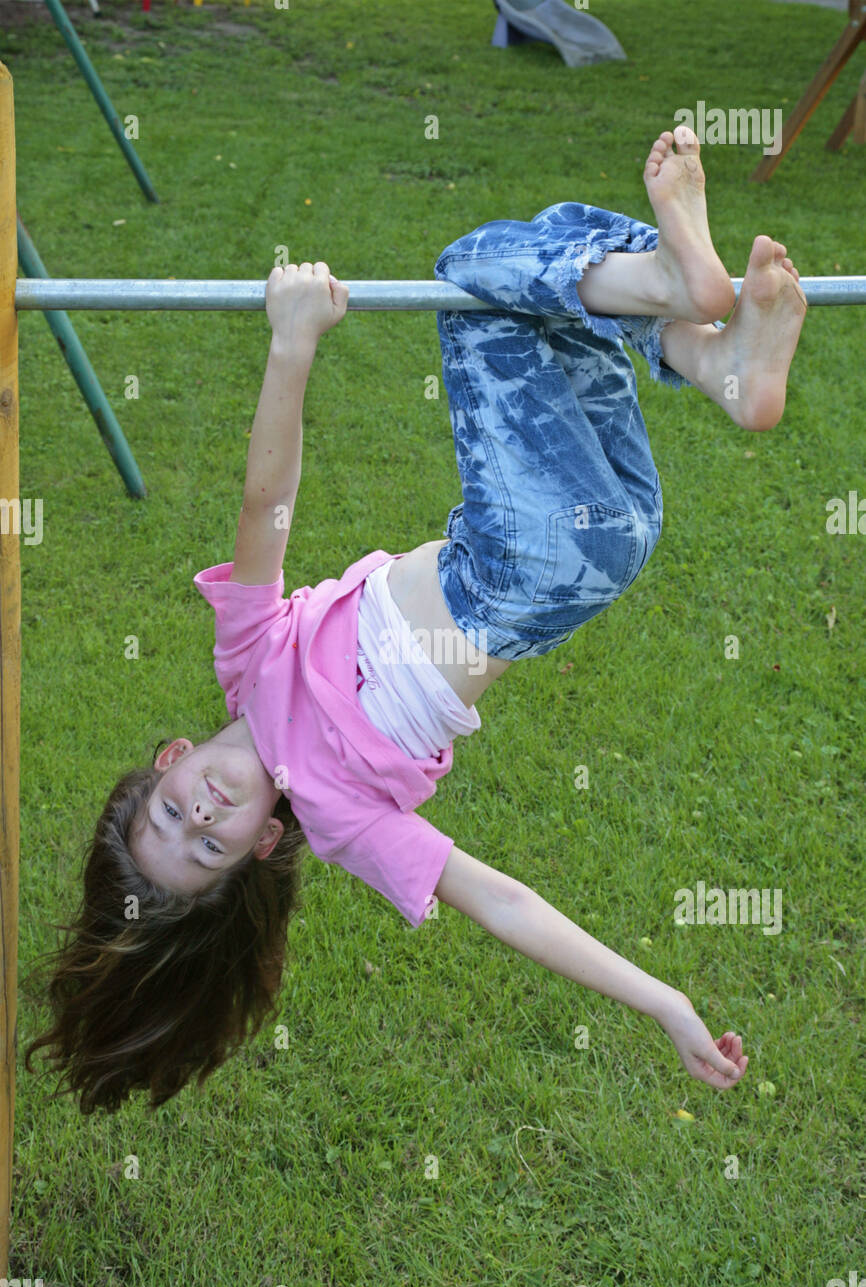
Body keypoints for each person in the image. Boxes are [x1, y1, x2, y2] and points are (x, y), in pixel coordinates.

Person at [26, 127, 807, 1114]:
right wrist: (663, 1001)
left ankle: (711, 353)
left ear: (167, 759)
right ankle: (679, 303)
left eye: (172, 811)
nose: (205, 812)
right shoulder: (343, 819)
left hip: (596, 537)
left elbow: (266, 505)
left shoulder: (248, 657)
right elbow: (503, 902)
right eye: (211, 845)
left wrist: (292, 344)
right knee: (474, 280)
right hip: (520, 562)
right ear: (262, 845)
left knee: (546, 295)